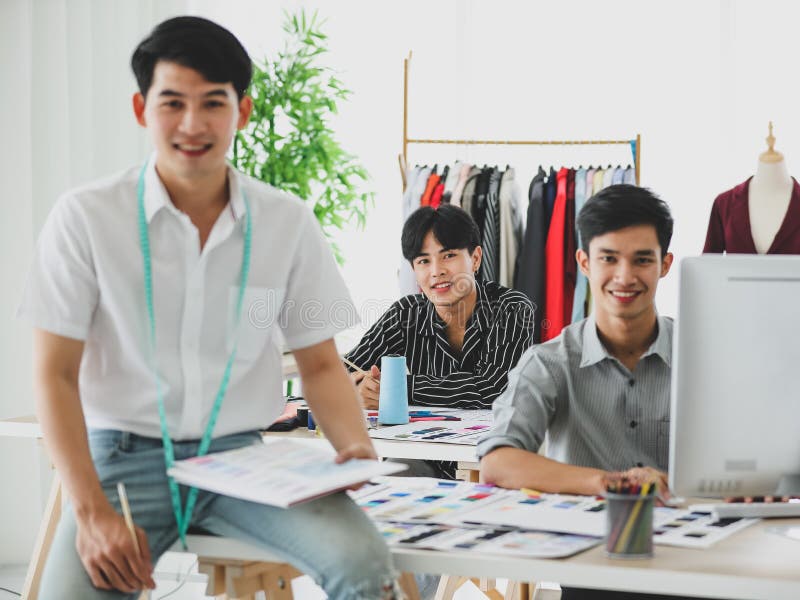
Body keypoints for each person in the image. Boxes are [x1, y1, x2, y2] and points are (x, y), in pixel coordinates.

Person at [19, 16, 398, 600]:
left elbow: (321, 364)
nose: (192, 124)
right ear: (142, 109)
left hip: (241, 459)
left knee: (367, 565)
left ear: (241, 111)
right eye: (173, 103)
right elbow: (54, 374)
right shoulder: (86, 217)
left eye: (212, 103)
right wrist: (90, 511)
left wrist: (353, 447)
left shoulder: (285, 221)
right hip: (123, 459)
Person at [479, 184, 679, 600]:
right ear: (584, 262)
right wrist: (610, 484)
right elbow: (498, 463)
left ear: (665, 264)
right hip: (594, 567)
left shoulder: (704, 355)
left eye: (642, 259)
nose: (625, 276)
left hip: (698, 556)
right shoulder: (548, 362)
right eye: (609, 258)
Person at [345, 204, 534, 478]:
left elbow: (494, 389)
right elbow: (345, 370)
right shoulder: (406, 313)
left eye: (449, 256)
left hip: (497, 459)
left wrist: (396, 390)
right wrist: (361, 388)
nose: (436, 271)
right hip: (424, 457)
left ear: (476, 258)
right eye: (423, 261)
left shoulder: (512, 308)